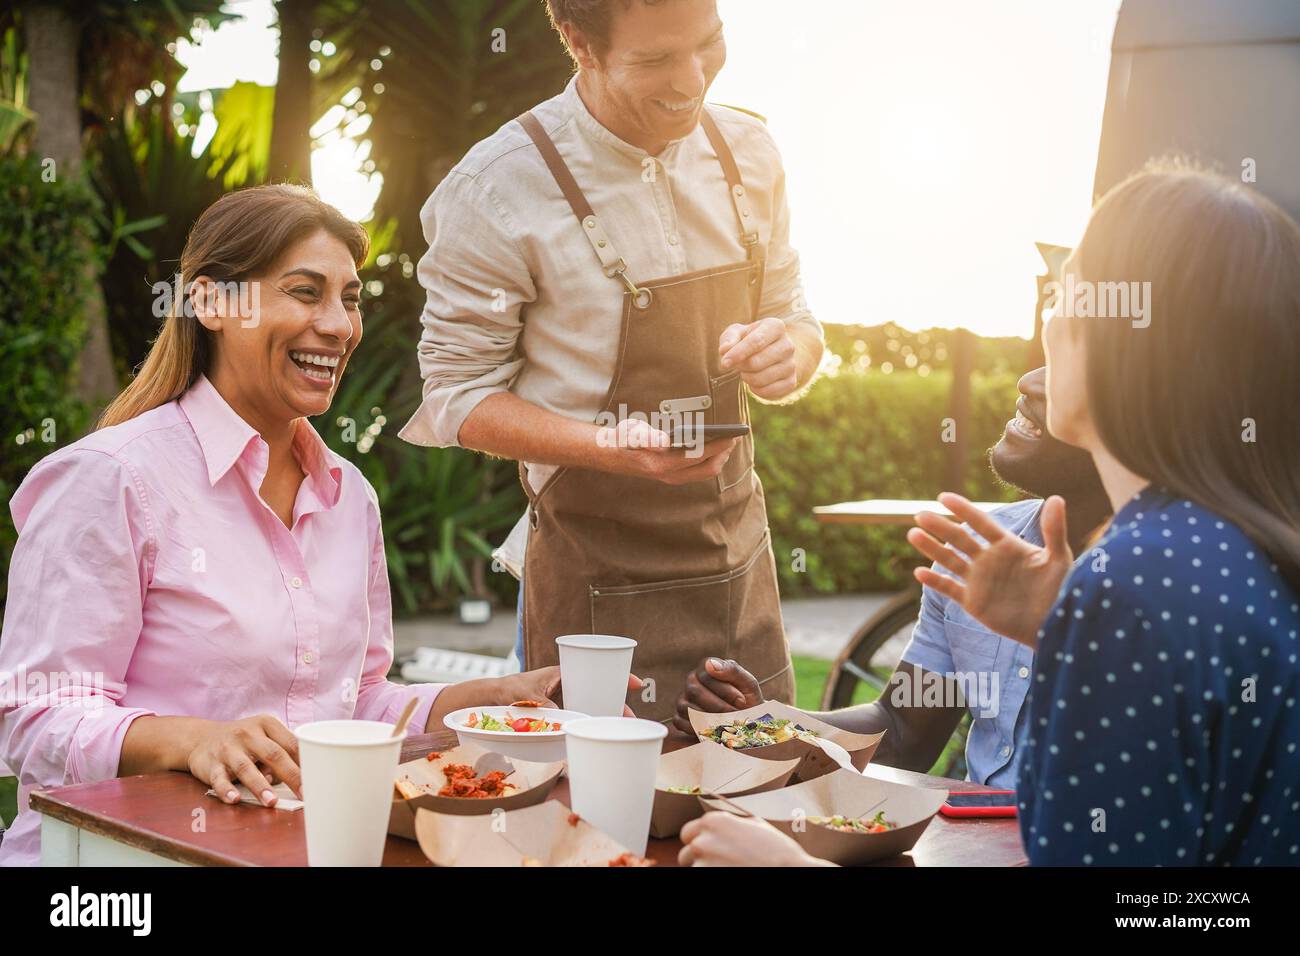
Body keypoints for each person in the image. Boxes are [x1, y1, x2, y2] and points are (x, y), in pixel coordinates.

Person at [0, 185, 626, 867]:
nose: (338, 326)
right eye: (305, 292)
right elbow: (32, 719)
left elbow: (352, 706)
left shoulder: (348, 497)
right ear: (211, 302)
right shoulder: (110, 477)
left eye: (350, 300)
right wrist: (190, 739)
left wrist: (485, 700)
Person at [398, 0, 823, 721]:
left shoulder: (749, 151)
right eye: (657, 60)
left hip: (740, 564)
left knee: (764, 804)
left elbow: (794, 312)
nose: (692, 81)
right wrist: (605, 446)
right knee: (598, 818)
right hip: (594, 578)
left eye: (709, 45)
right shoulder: (496, 189)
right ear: (576, 42)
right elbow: (456, 396)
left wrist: (792, 353)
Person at [908, 163, 1300, 865]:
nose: (1046, 339)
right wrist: (1064, 634)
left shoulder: (1136, 580)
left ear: (1125, 339)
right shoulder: (1237, 548)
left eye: (1063, 299)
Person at [674, 366, 1111, 792]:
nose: (1029, 381)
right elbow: (902, 729)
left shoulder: (1164, 578)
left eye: (1075, 367)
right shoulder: (970, 549)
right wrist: (759, 726)